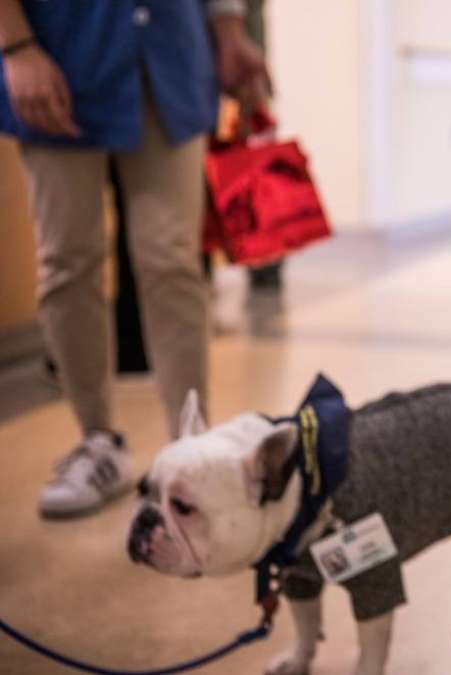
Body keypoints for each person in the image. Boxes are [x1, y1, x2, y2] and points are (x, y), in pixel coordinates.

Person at [0, 0, 271, 518]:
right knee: (69, 259)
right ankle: (97, 442)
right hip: (60, 47)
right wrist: (16, 46)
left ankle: (192, 447)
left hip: (170, 50)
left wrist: (229, 29)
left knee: (173, 260)